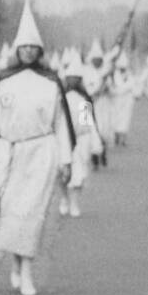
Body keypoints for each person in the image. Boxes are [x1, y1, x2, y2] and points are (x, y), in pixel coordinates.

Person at [0, 0, 73, 295]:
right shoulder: (5, 81)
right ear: (17, 50)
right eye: (25, 47)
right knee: (12, 211)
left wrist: (69, 157)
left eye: (34, 47)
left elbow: (63, 122)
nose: (29, 52)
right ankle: (17, 263)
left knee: (33, 213)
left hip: (43, 151)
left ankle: (28, 269)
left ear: (40, 51)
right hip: (10, 152)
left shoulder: (54, 84)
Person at [58, 50, 103, 218]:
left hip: (81, 140)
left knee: (80, 173)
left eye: (76, 78)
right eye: (70, 78)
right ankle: (64, 198)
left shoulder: (83, 99)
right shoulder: (60, 98)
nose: (73, 81)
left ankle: (74, 203)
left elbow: (88, 123)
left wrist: (96, 142)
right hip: (64, 141)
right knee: (63, 172)